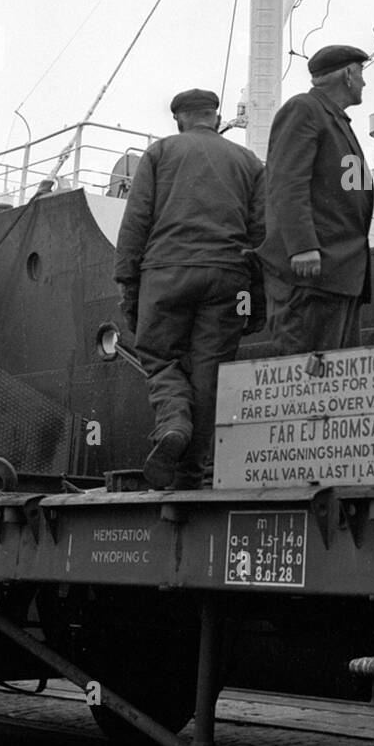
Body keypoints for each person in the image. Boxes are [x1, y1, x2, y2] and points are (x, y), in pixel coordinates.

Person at [113, 89, 265, 490]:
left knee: (160, 356)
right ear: (215, 118)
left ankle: (173, 422)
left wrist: (128, 283)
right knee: (209, 374)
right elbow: (262, 233)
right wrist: (259, 299)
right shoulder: (248, 161)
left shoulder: (160, 152)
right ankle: (188, 474)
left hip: (167, 272)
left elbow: (136, 220)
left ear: (180, 119)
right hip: (228, 275)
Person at [257, 45, 374, 354]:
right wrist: (302, 245)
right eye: (361, 73)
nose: (364, 82)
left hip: (339, 273)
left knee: (336, 377)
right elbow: (286, 181)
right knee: (306, 380)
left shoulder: (337, 121)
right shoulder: (305, 109)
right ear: (348, 75)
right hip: (312, 273)